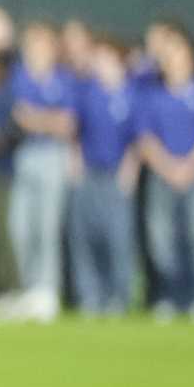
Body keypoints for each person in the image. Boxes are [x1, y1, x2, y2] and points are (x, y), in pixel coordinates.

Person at [135, 25, 194, 322]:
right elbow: (145, 139)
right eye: (169, 57)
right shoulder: (153, 96)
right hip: (163, 176)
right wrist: (169, 167)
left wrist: (191, 166)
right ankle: (167, 297)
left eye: (180, 55)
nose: (175, 62)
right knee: (162, 240)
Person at [6, 22, 78, 322]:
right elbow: (21, 116)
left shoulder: (64, 80)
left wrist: (41, 120)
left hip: (53, 156)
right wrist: (49, 120)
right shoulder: (21, 78)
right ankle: (29, 287)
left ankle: (47, 291)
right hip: (27, 156)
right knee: (20, 226)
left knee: (48, 227)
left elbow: (68, 124)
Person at [68, 37, 139, 316]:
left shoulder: (132, 96)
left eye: (105, 59)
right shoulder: (87, 93)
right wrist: (75, 162)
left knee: (118, 239)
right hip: (89, 173)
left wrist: (130, 167)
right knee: (85, 238)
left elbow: (138, 138)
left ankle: (119, 297)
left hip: (116, 174)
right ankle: (90, 297)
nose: (100, 65)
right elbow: (75, 131)